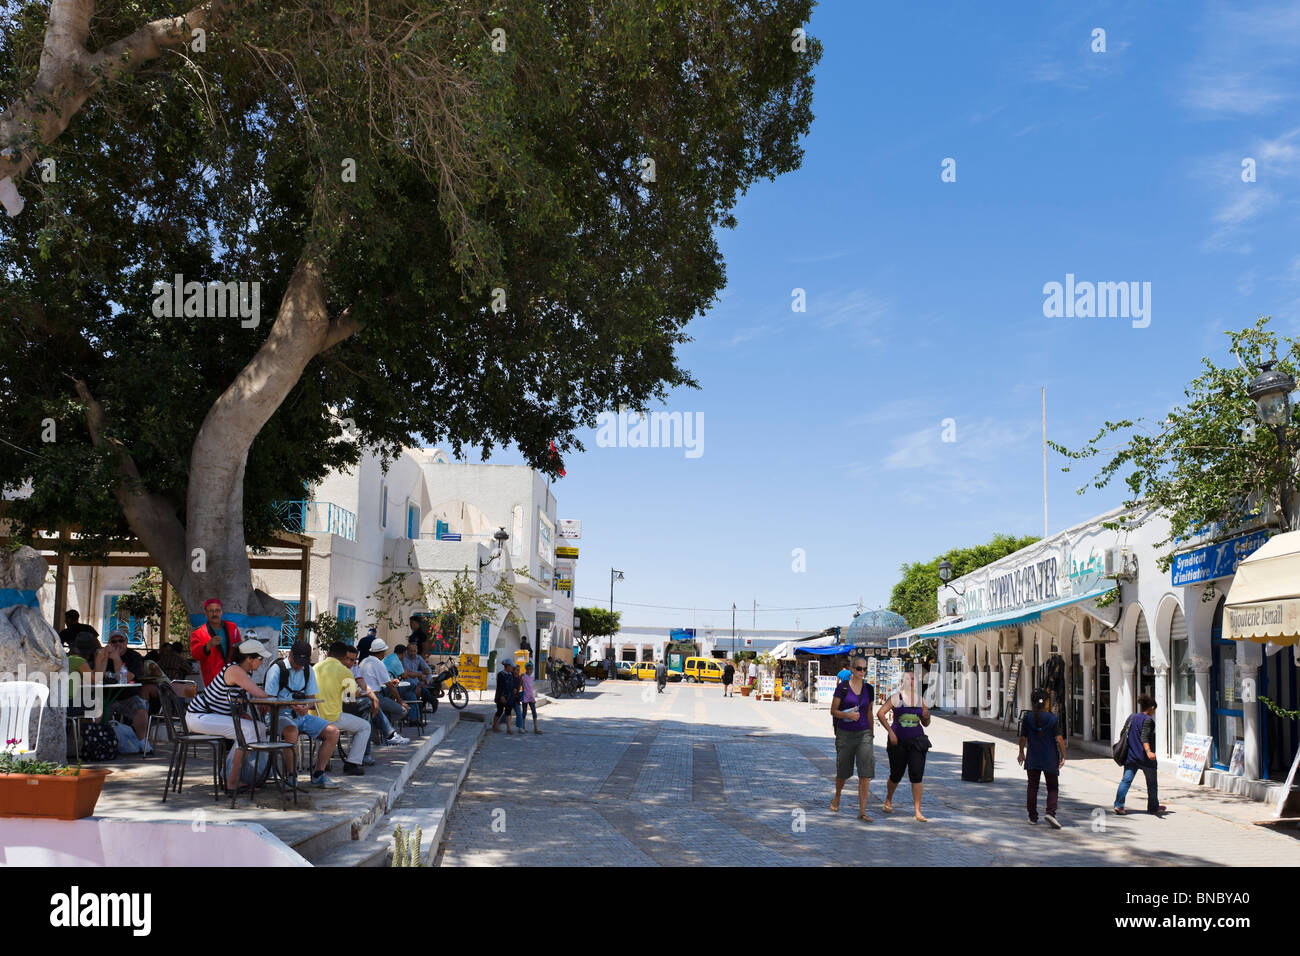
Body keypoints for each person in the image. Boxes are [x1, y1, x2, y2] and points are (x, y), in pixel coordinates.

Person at [185, 640, 277, 793]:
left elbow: (239, 700)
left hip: (212, 716)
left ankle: (254, 774)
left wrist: (243, 713)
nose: (262, 663)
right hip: (199, 716)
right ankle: (231, 780)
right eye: (260, 659)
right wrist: (281, 700)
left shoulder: (242, 672)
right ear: (249, 658)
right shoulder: (235, 670)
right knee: (248, 731)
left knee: (259, 727)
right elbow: (259, 694)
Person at [266, 640, 341, 788]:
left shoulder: (308, 669)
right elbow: (269, 702)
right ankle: (292, 776)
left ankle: (319, 774)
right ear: (290, 655)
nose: (300, 665)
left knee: (333, 732)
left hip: (302, 715)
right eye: (298, 661)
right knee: (292, 732)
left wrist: (305, 707)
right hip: (279, 716)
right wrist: (291, 705)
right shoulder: (277, 669)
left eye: (304, 661)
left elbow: (311, 700)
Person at [878, 671, 931, 822]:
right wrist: (891, 732)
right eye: (909, 678)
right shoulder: (896, 697)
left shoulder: (920, 700)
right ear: (903, 681)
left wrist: (927, 717)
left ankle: (918, 811)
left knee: (917, 775)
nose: (912, 681)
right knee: (896, 774)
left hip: (917, 742)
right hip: (897, 741)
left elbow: (925, 723)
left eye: (914, 678)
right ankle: (888, 799)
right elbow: (881, 713)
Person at [313, 641, 371, 776]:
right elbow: (351, 698)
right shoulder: (344, 671)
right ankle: (352, 763)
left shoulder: (315, 667)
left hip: (314, 715)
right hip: (332, 717)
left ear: (328, 653)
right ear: (344, 656)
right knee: (365, 726)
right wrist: (360, 692)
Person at [829, 654, 875, 821]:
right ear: (851, 669)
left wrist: (871, 733)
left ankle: (862, 811)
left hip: (863, 733)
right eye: (858, 668)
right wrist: (846, 714)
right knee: (843, 771)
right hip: (845, 733)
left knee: (865, 772)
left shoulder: (869, 689)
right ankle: (837, 796)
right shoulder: (843, 688)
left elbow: (869, 711)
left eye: (864, 669)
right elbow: (833, 711)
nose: (862, 672)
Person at [93, 629, 154, 755]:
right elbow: (97, 678)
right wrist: (102, 658)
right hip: (106, 696)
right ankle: (98, 743)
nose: (117, 644)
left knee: (141, 711)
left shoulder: (134, 656)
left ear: (126, 642)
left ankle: (142, 741)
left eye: (121, 640)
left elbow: (127, 677)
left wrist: (116, 659)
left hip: (128, 695)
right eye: (113, 641)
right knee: (95, 712)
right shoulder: (103, 655)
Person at [1018, 688, 1065, 828]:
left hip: (1033, 757)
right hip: (1050, 757)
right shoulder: (1052, 718)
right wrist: (1064, 755)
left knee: (1032, 786)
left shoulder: (1027, 718)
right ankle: (1050, 813)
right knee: (1052, 787)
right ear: (1046, 702)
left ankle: (1032, 816)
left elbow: (1023, 738)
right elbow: (1060, 739)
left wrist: (1021, 752)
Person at [1114, 694, 1166, 816]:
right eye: (1154, 710)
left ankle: (1119, 805)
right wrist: (1149, 752)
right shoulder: (1148, 720)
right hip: (1145, 759)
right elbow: (1144, 737)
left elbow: (1123, 733)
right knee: (1152, 784)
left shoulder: (1131, 717)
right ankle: (1153, 807)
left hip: (1131, 756)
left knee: (1126, 781)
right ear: (1152, 708)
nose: (1154, 713)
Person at [353, 638, 411, 745]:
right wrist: (400, 701)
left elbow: (371, 680)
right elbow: (390, 687)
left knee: (378, 711)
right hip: (374, 695)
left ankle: (379, 727)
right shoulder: (378, 664)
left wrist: (389, 682)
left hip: (363, 695)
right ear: (382, 652)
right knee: (402, 710)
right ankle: (387, 731)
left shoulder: (364, 661)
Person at [189, 598, 240, 687]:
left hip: (232, 675)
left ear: (221, 612)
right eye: (211, 611)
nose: (215, 614)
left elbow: (238, 647)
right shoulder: (198, 633)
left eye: (217, 610)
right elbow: (195, 654)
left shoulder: (233, 627)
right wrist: (208, 646)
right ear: (206, 613)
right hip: (212, 678)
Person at [493, 659, 518, 734]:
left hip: (509, 697)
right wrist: (501, 696)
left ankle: (508, 729)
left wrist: (514, 689)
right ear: (507, 666)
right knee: (499, 711)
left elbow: (512, 684)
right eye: (511, 667)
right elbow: (500, 687)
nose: (512, 668)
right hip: (501, 697)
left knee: (508, 712)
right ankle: (494, 726)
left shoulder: (511, 675)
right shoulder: (500, 674)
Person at [520, 663, 540, 733]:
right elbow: (520, 684)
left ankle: (536, 728)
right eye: (527, 669)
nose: (529, 671)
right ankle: (523, 727)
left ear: (532, 670)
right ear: (525, 669)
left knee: (534, 712)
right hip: (525, 696)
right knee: (524, 712)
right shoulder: (523, 676)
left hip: (531, 696)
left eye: (530, 669)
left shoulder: (532, 677)